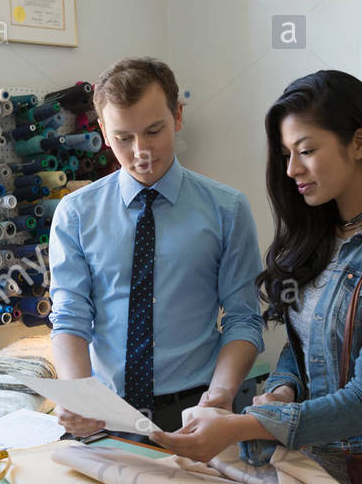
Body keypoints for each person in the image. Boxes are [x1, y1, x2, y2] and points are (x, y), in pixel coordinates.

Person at [152, 69, 362, 484]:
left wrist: (244, 425)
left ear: (359, 143)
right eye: (286, 153)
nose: (291, 169)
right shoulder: (318, 238)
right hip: (314, 466)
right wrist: (282, 390)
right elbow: (303, 343)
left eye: (306, 150)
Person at [48, 57, 263, 435]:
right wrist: (76, 398)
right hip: (105, 413)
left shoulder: (227, 209)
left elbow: (243, 318)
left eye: (153, 131)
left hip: (196, 410)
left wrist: (221, 395)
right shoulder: (76, 213)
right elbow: (70, 317)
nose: (140, 151)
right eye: (123, 138)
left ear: (178, 116)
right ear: (101, 131)